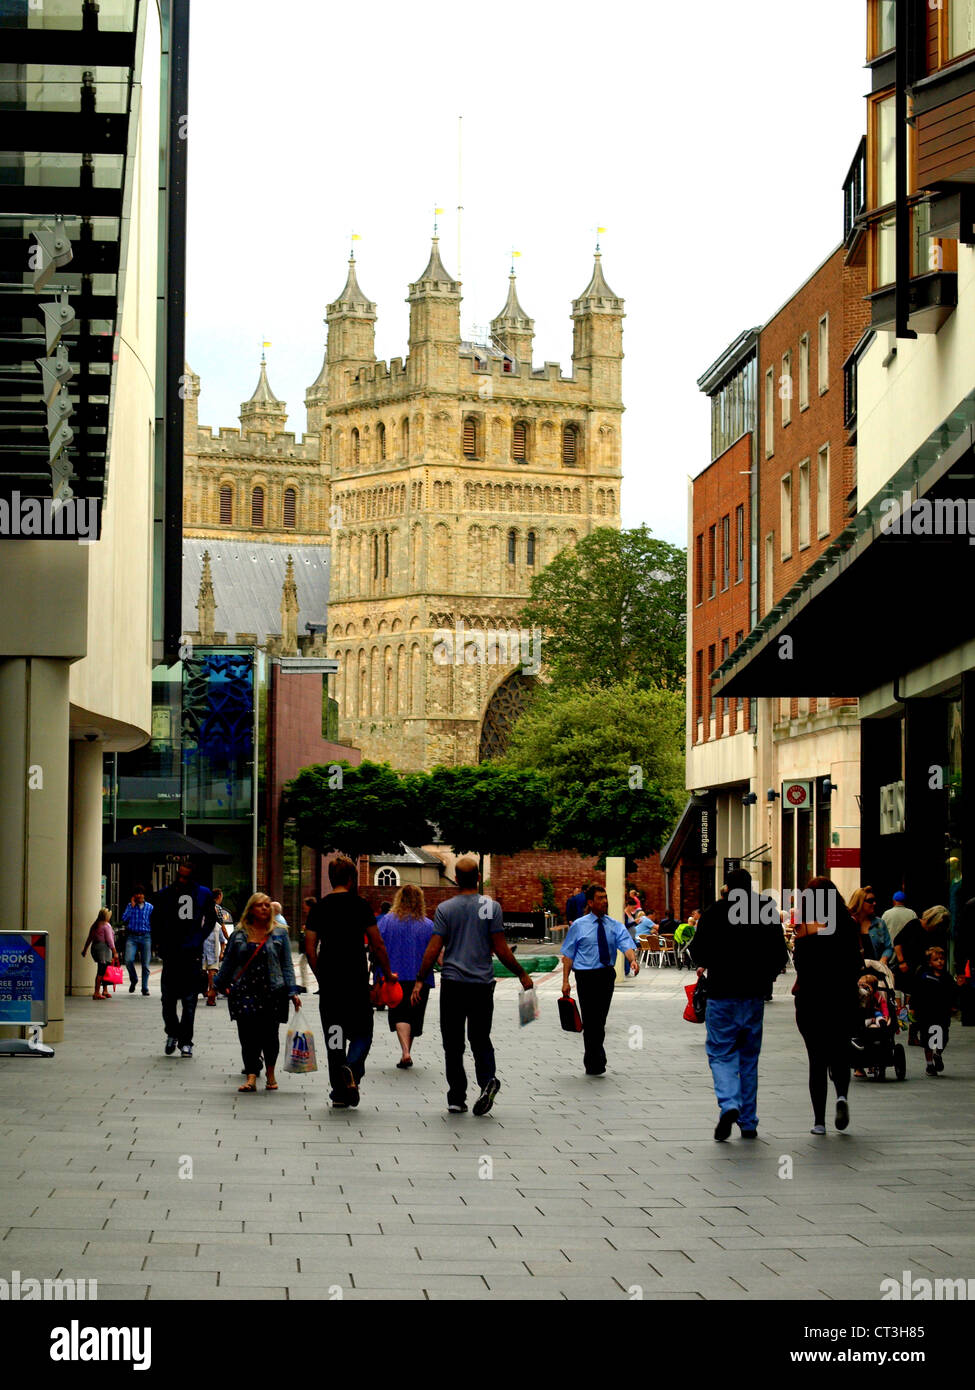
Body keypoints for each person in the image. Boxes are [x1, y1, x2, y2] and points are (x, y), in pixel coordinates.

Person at [412, 854, 532, 1116]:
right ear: (478, 878)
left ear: (456, 879)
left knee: (453, 1043)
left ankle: (457, 1097)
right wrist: (522, 973)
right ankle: (487, 1080)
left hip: (453, 984)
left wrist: (420, 979)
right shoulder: (490, 907)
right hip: (481, 985)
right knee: (480, 1038)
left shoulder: (445, 909)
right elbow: (501, 948)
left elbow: (433, 948)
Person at [690, 868, 788, 1141]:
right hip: (754, 995)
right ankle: (748, 1121)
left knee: (721, 1053)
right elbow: (780, 954)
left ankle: (729, 1102)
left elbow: (698, 951)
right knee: (748, 1058)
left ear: (727, 888)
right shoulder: (765, 909)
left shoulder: (714, 912)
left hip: (721, 993)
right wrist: (767, 976)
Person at [304, 856, 397, 1109]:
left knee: (334, 1037)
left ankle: (339, 1092)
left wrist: (320, 975)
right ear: (351, 879)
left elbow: (310, 949)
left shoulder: (319, 908)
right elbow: (377, 943)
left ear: (331, 878)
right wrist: (388, 974)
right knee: (363, 1032)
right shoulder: (360, 905)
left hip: (331, 985)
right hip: (355, 981)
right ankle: (353, 1069)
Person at [791, 878, 863, 1134]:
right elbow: (856, 963)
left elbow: (800, 963)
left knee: (817, 1059)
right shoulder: (848, 923)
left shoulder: (806, 926)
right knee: (840, 1051)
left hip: (811, 999)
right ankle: (841, 1096)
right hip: (841, 998)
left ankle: (819, 1123)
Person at [214, 892, 301, 1092]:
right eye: (260, 905)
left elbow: (286, 965)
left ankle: (270, 1073)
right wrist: (215, 986)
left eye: (267, 905)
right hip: (244, 991)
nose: (264, 908)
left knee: (270, 1036)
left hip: (273, 991)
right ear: (251, 909)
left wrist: (292, 991)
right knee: (247, 1036)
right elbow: (229, 963)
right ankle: (251, 1076)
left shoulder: (280, 933)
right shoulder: (239, 933)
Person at [560, 885, 639, 1075]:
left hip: (605, 976)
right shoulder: (579, 925)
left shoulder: (614, 925)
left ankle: (595, 1057)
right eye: (600, 898)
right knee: (590, 1020)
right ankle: (594, 1061)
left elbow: (625, 944)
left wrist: (632, 960)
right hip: (586, 976)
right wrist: (565, 981)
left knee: (600, 1019)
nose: (605, 901)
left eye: (606, 897)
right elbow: (568, 955)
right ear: (590, 902)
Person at [151, 860, 217, 1058]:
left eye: (185, 877)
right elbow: (155, 920)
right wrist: (159, 944)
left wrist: (199, 938)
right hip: (172, 952)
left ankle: (185, 1040)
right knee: (168, 999)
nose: (181, 880)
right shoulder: (166, 894)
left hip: (190, 954)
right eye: (180, 876)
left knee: (189, 1000)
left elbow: (211, 919)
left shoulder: (201, 894)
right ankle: (173, 1032)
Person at [376, 884, 437, 1068]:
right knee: (413, 1016)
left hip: (394, 976)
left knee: (399, 1014)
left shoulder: (386, 922)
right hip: (420, 978)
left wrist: (380, 973)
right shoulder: (428, 925)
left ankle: (405, 1052)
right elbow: (435, 952)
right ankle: (406, 1051)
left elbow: (377, 946)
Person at [911, 944, 959, 1076]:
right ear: (930, 962)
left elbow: (953, 993)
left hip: (942, 1013)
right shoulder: (924, 976)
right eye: (936, 959)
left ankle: (938, 1054)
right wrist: (913, 1008)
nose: (940, 962)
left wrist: (954, 1005)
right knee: (928, 1040)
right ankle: (929, 1064)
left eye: (942, 959)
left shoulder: (947, 978)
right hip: (926, 1013)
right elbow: (917, 993)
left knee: (943, 1037)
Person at [81, 908, 119, 1000]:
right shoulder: (106, 926)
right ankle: (96, 992)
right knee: (102, 970)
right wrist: (115, 952)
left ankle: (104, 990)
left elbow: (89, 938)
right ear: (106, 916)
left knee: (104, 970)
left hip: (96, 947)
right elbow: (110, 940)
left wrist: (85, 949)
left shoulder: (95, 925)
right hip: (104, 949)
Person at [121, 886, 153, 996]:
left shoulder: (150, 907)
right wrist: (132, 906)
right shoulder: (130, 906)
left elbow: (154, 921)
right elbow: (124, 919)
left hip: (146, 936)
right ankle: (134, 979)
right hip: (132, 936)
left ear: (144, 895)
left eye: (141, 893)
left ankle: (145, 987)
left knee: (145, 964)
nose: (139, 895)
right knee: (128, 960)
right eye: (137, 893)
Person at [203, 889, 233, 1005]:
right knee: (210, 971)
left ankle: (210, 993)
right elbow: (223, 927)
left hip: (210, 949)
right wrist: (229, 939)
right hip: (207, 949)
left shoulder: (215, 926)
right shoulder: (217, 910)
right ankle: (208, 992)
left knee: (212, 971)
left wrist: (223, 949)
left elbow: (221, 937)